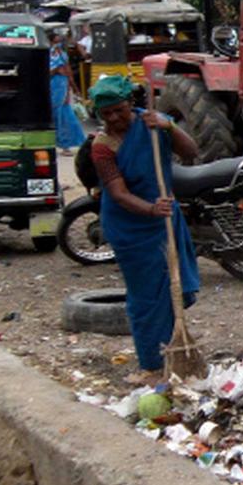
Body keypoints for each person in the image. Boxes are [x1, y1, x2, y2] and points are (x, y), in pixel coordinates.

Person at [88, 75, 202, 376]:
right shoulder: (102, 147)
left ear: (131, 104)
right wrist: (151, 209)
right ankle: (152, 362)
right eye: (106, 113)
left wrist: (170, 127)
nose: (114, 119)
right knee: (146, 297)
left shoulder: (153, 125)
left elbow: (191, 153)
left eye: (119, 110)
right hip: (130, 226)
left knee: (171, 288)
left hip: (164, 217)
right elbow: (118, 193)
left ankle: (175, 351)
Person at [50, 30, 86, 154]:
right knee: (56, 116)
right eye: (57, 37)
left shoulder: (62, 54)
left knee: (66, 116)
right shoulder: (47, 54)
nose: (59, 39)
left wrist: (75, 89)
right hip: (53, 87)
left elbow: (68, 71)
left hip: (62, 87)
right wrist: (56, 71)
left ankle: (67, 144)